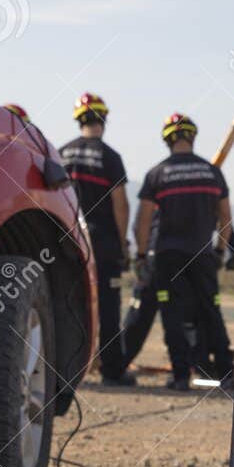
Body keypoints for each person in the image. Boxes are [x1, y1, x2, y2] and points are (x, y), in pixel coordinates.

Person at [135, 113, 234, 391]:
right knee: (211, 311)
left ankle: (180, 376)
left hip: (167, 257)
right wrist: (220, 249)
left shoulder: (157, 174)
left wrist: (141, 255)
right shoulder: (212, 172)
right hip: (203, 256)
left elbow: (143, 220)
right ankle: (226, 373)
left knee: (172, 314)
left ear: (167, 139)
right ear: (192, 136)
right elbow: (225, 216)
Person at [60, 93, 134, 386]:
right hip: (102, 242)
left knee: (68, 302)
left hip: (67, 239)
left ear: (79, 119)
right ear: (103, 119)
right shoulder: (110, 157)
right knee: (108, 306)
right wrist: (122, 244)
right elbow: (121, 204)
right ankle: (111, 370)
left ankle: (66, 369)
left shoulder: (61, 152)